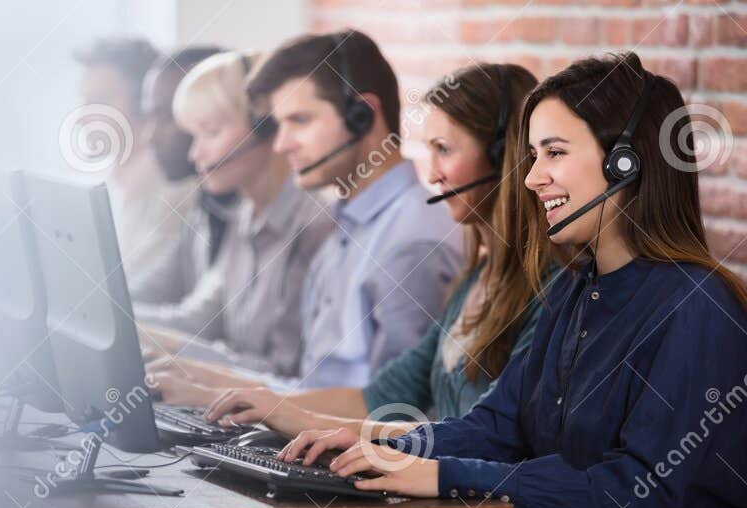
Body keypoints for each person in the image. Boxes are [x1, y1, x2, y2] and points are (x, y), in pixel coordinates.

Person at [286, 53, 747, 508]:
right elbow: (498, 427)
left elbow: (634, 497)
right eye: (533, 156)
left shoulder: (698, 306)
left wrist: (442, 474)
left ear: (624, 162)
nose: (530, 178)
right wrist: (381, 449)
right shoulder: (573, 289)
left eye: (555, 152)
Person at [181, 64, 563, 439]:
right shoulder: (474, 284)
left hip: (470, 495)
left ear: (502, 157)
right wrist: (271, 408)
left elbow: (483, 433)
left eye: (444, 150)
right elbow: (380, 397)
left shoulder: (550, 290)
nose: (432, 175)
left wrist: (305, 423)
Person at [149, 30, 462, 392]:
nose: (281, 144)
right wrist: (202, 381)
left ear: (363, 115)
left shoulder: (411, 239)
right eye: (280, 124)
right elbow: (307, 388)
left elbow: (392, 415)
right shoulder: (347, 228)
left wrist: (209, 386)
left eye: (300, 121)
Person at [132, 51, 335, 378]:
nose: (195, 153)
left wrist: (190, 368)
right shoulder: (243, 215)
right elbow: (199, 320)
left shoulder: (315, 226)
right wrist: (111, 316)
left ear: (266, 128)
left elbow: (288, 372)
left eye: (210, 133)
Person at [74, 38, 191, 280]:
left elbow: (126, 286)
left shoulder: (176, 194)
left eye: (99, 101)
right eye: (83, 101)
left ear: (145, 103)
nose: (82, 117)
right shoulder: (112, 185)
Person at [130, 46, 239, 306]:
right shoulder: (206, 204)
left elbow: (200, 319)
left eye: (167, 117)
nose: (151, 136)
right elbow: (156, 287)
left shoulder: (247, 213)